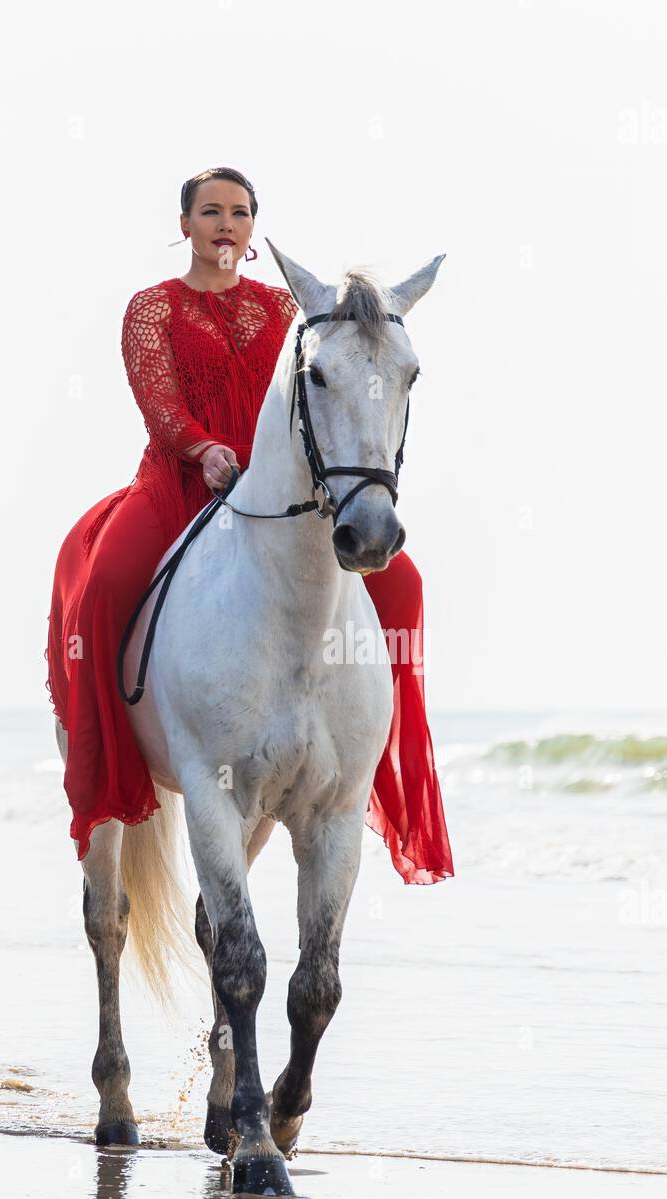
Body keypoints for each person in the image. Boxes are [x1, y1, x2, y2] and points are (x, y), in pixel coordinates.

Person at [46, 166, 453, 885]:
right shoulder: (152, 309)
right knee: (105, 580)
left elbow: (320, 400)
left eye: (238, 212)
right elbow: (158, 402)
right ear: (186, 227)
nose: (225, 225)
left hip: (274, 491)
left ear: (253, 228)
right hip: (181, 480)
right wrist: (202, 449)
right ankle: (107, 758)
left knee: (405, 585)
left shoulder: (285, 312)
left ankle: (373, 754)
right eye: (210, 212)